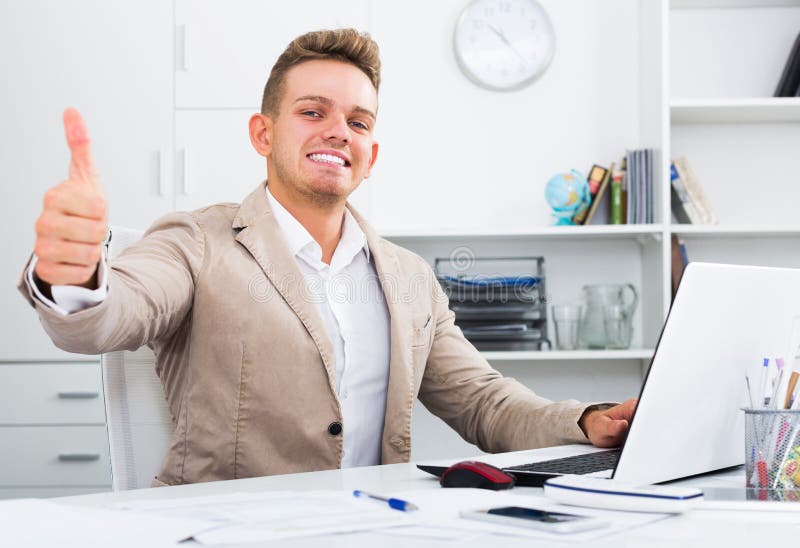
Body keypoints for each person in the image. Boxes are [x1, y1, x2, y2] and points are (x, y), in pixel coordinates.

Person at [19, 29, 636, 486]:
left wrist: (588, 422)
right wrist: (74, 276)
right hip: (225, 531)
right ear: (264, 134)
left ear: (372, 153)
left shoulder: (410, 278)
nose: (339, 130)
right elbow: (112, 314)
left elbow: (481, 400)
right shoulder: (197, 241)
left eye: (358, 121)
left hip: (373, 527)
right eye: (312, 112)